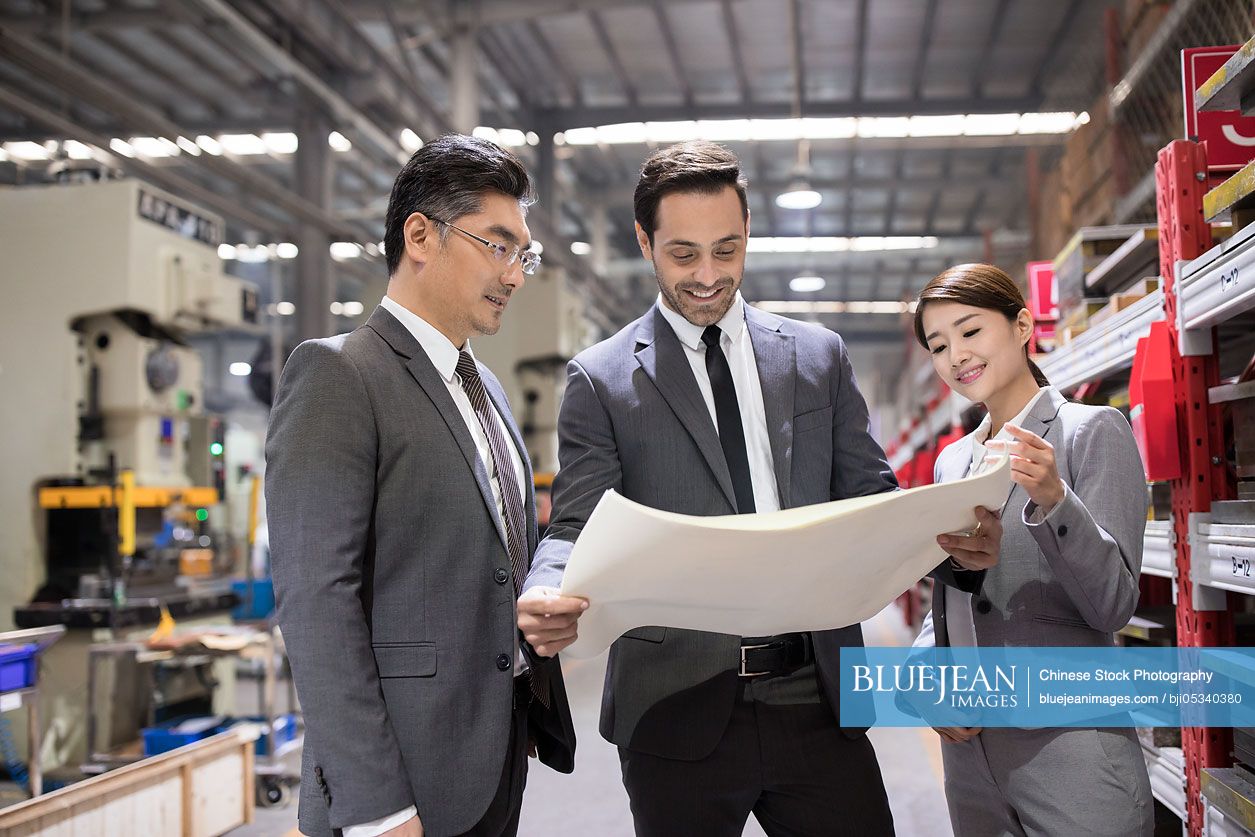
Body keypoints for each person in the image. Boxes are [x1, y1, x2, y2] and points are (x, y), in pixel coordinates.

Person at [517, 140, 1001, 836]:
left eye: (727, 248)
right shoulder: (602, 378)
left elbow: (874, 497)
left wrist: (955, 544)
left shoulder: (814, 357)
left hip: (816, 694)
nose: (709, 275)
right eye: (683, 254)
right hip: (674, 706)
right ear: (643, 241)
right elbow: (572, 525)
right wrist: (545, 585)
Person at [266, 134, 579, 837]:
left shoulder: (485, 388)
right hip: (398, 783)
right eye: (498, 245)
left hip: (493, 754)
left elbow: (491, 558)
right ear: (420, 235)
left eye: (521, 254)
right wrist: (375, 805)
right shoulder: (339, 374)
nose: (516, 272)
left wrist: (534, 610)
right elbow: (318, 603)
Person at [912, 263, 1153, 836]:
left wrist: (1054, 501)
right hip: (972, 761)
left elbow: (1114, 604)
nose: (956, 357)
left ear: (1022, 325)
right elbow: (944, 607)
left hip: (1070, 748)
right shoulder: (953, 462)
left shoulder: (1091, 432)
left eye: (971, 332)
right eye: (939, 345)